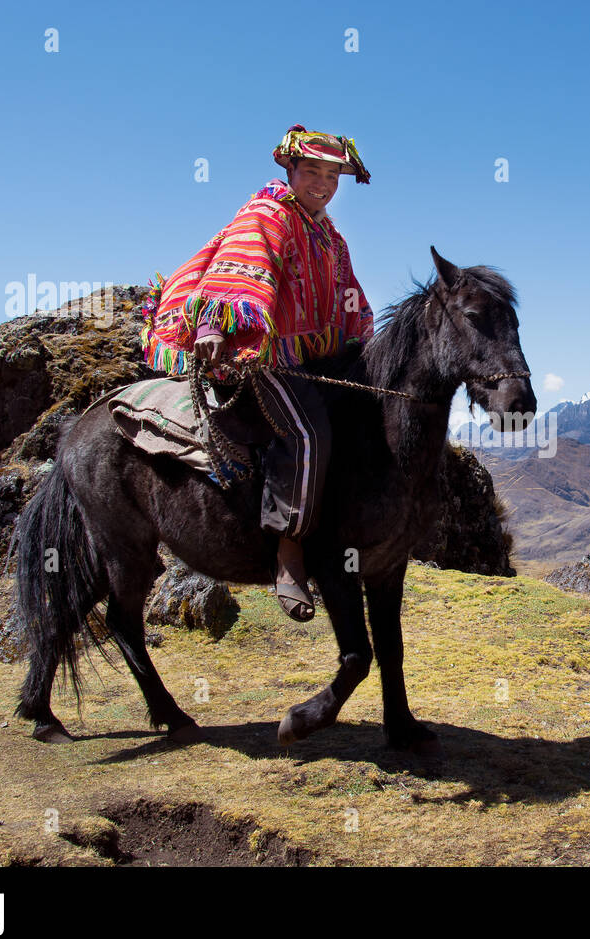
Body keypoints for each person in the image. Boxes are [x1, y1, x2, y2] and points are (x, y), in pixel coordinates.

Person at [138, 124, 375, 621]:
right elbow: (236, 267)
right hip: (259, 353)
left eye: (332, 176)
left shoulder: (332, 238)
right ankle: (288, 551)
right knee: (307, 433)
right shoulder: (268, 213)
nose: (323, 184)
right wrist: (213, 326)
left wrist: (362, 341)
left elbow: (348, 296)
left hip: (312, 358)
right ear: (290, 170)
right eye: (312, 171)